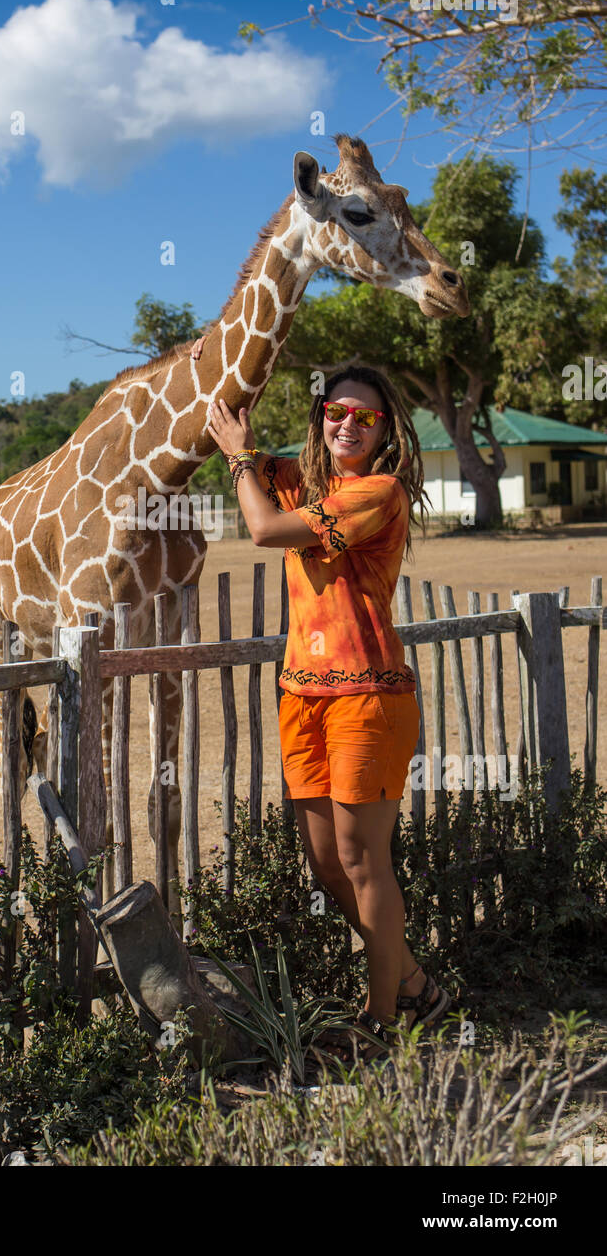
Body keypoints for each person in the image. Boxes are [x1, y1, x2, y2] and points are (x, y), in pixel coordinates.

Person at [189, 341, 451, 1065]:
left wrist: (242, 461)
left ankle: (382, 1021)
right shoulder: (301, 480)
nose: (348, 424)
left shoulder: (378, 492)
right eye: (336, 411)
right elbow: (231, 433)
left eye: (364, 417)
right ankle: (418, 987)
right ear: (321, 416)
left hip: (367, 695)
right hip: (301, 694)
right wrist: (236, 432)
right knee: (327, 868)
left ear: (385, 432)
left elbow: (265, 529)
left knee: (363, 861)